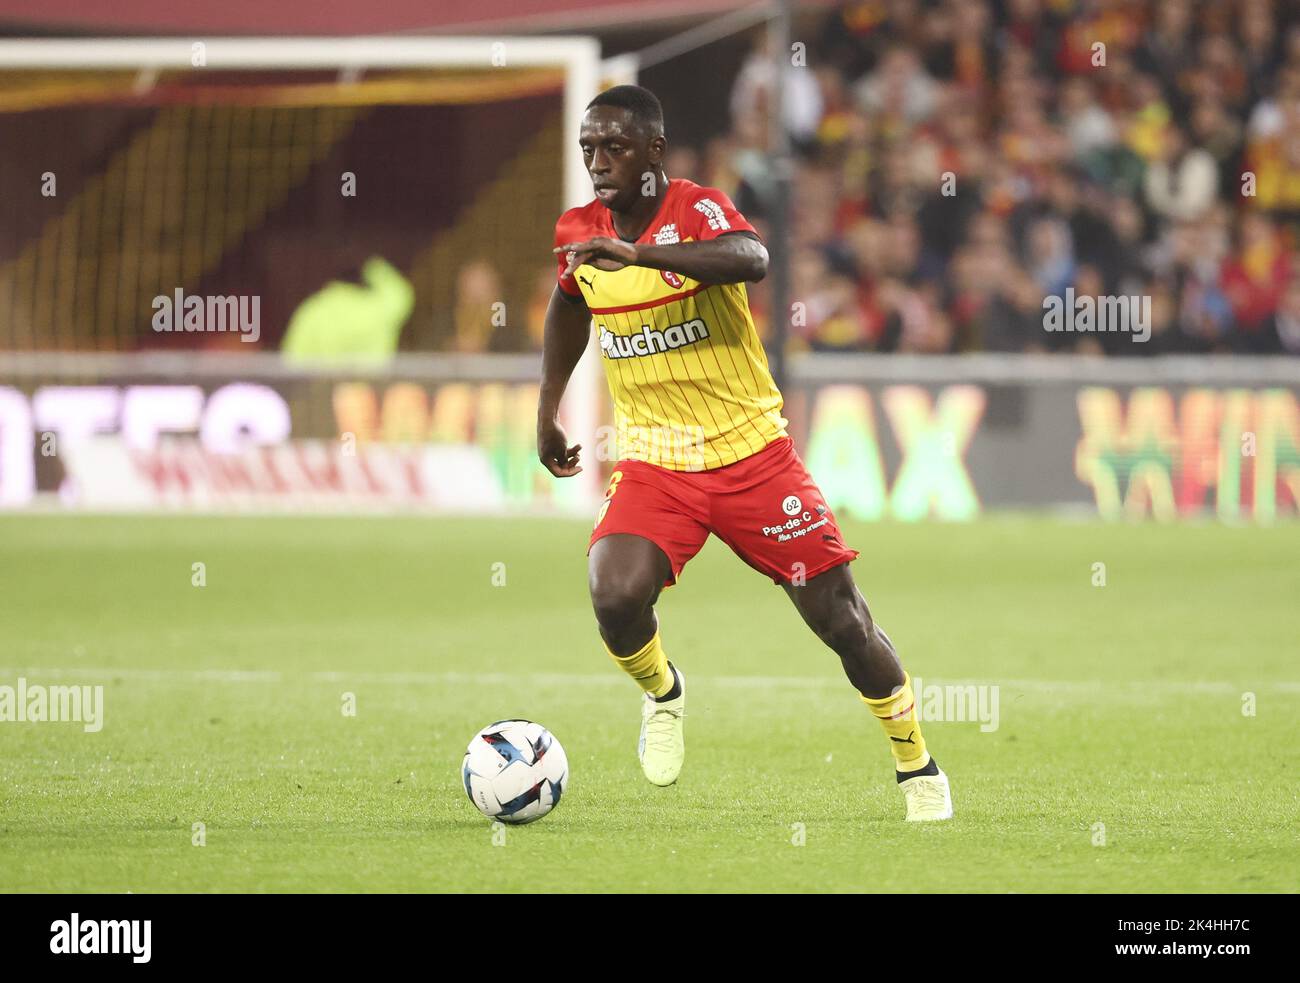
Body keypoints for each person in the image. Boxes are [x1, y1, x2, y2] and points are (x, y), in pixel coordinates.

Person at [536, 85, 951, 821]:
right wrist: (549, 407)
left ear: (654, 152)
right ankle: (664, 693)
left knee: (842, 622)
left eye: (616, 147)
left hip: (752, 455)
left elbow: (751, 257)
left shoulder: (697, 208)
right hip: (657, 458)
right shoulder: (579, 229)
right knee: (614, 593)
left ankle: (915, 758)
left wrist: (639, 251)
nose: (600, 162)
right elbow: (571, 301)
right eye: (589, 148)